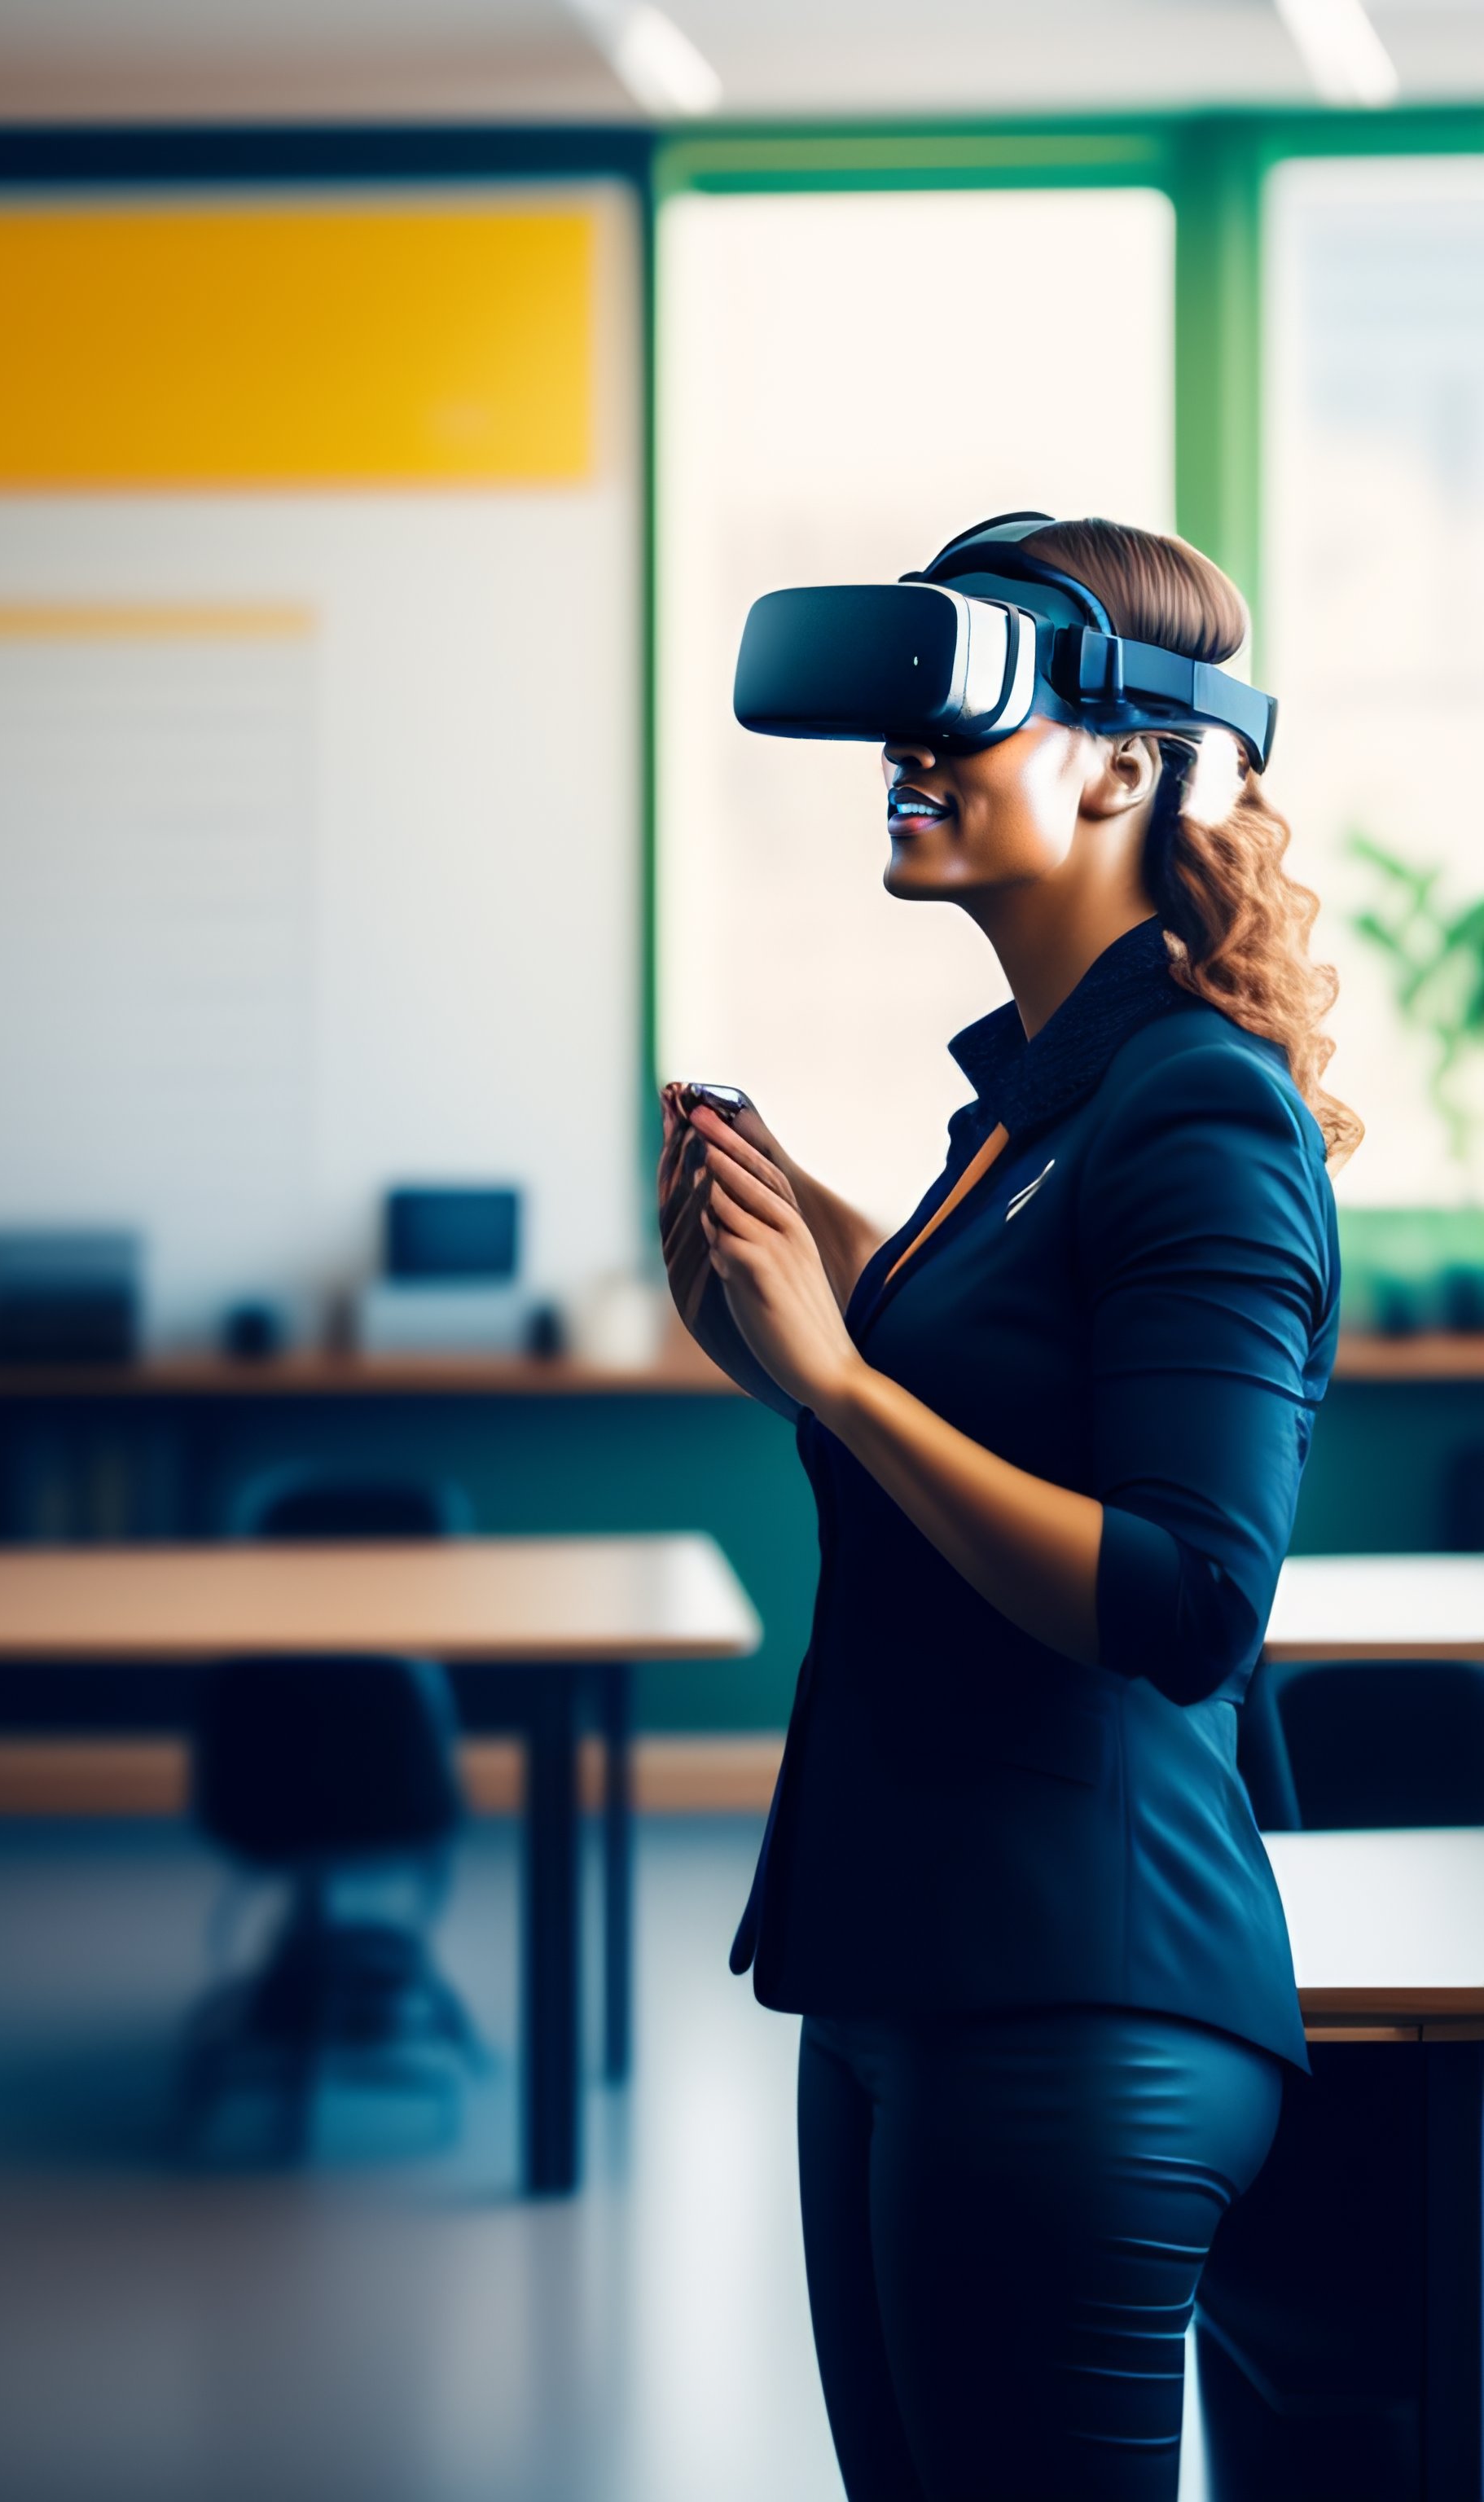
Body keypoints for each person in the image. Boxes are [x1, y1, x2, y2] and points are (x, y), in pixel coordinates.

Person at [657, 514, 1359, 2502]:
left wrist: (839, 1378)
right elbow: (977, 1410)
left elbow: (1188, 1597)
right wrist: (798, 1254)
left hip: (1075, 2006)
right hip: (913, 1971)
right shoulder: (1033, 1111)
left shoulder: (1199, 1109)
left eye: (966, 704)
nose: (909, 751)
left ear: (1126, 761)